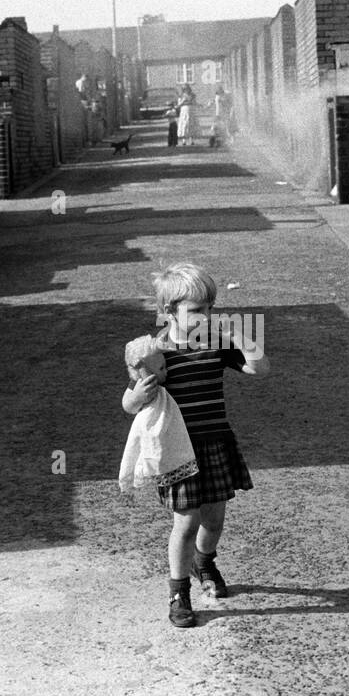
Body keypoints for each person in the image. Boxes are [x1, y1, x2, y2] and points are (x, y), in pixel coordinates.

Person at [121, 262, 270, 627]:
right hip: (178, 451)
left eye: (210, 308)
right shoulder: (155, 353)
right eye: (196, 310)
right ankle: (179, 592)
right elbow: (129, 405)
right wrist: (137, 394)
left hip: (215, 444)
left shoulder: (217, 344)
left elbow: (260, 369)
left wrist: (243, 337)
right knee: (185, 523)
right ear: (169, 312)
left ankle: (205, 561)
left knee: (214, 520)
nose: (206, 316)